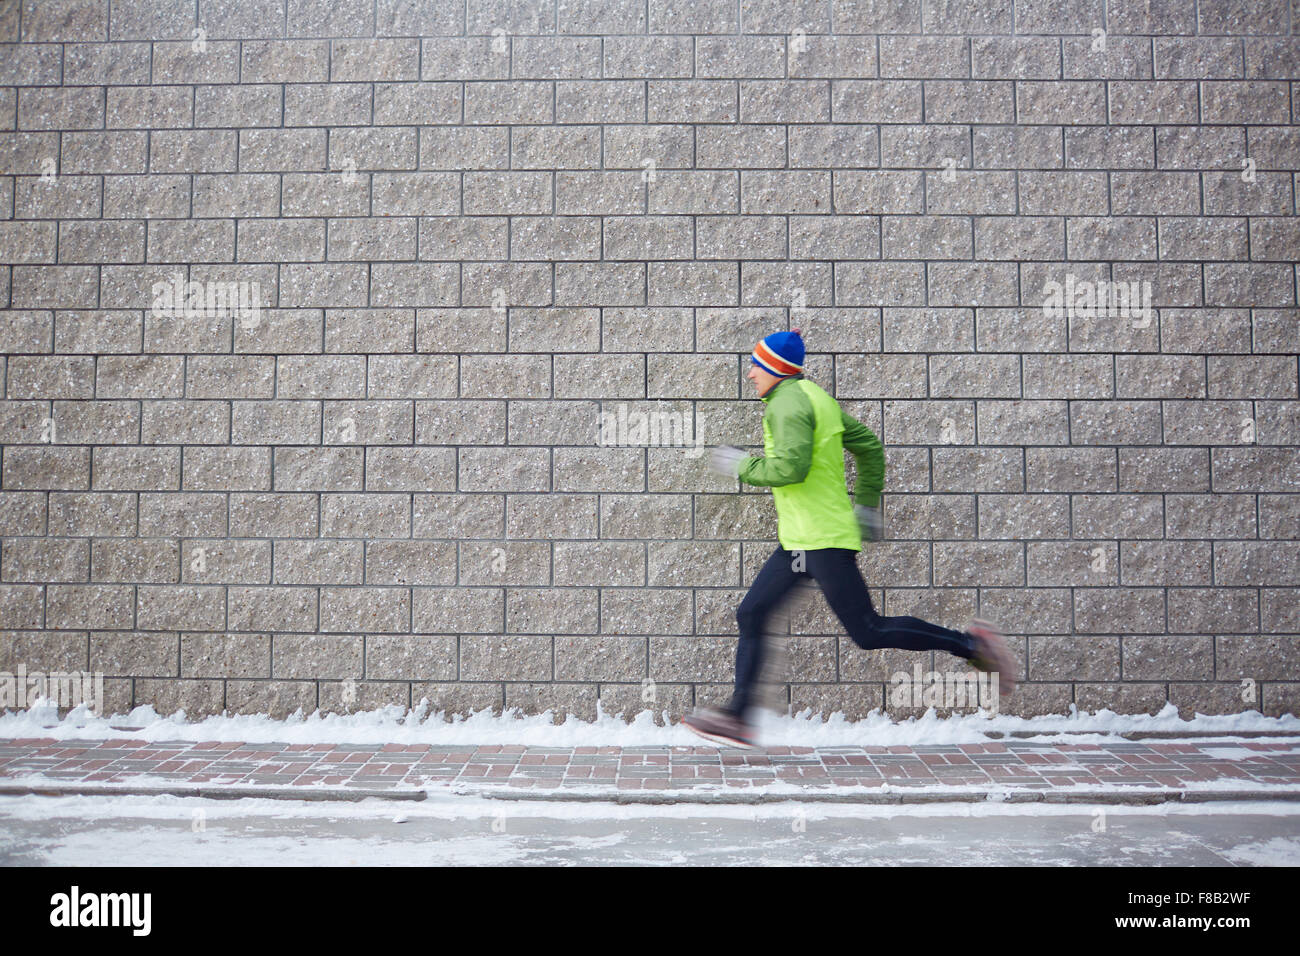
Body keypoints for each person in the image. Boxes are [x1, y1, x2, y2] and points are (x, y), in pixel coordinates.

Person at [683, 328, 1018, 749]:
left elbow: (791, 469)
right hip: (801, 541)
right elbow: (870, 447)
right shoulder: (816, 398)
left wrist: (742, 465)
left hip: (821, 539)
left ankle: (971, 645)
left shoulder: (786, 405)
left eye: (755, 364)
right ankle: (740, 717)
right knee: (752, 613)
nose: (750, 373)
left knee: (868, 630)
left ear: (773, 367)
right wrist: (865, 505)